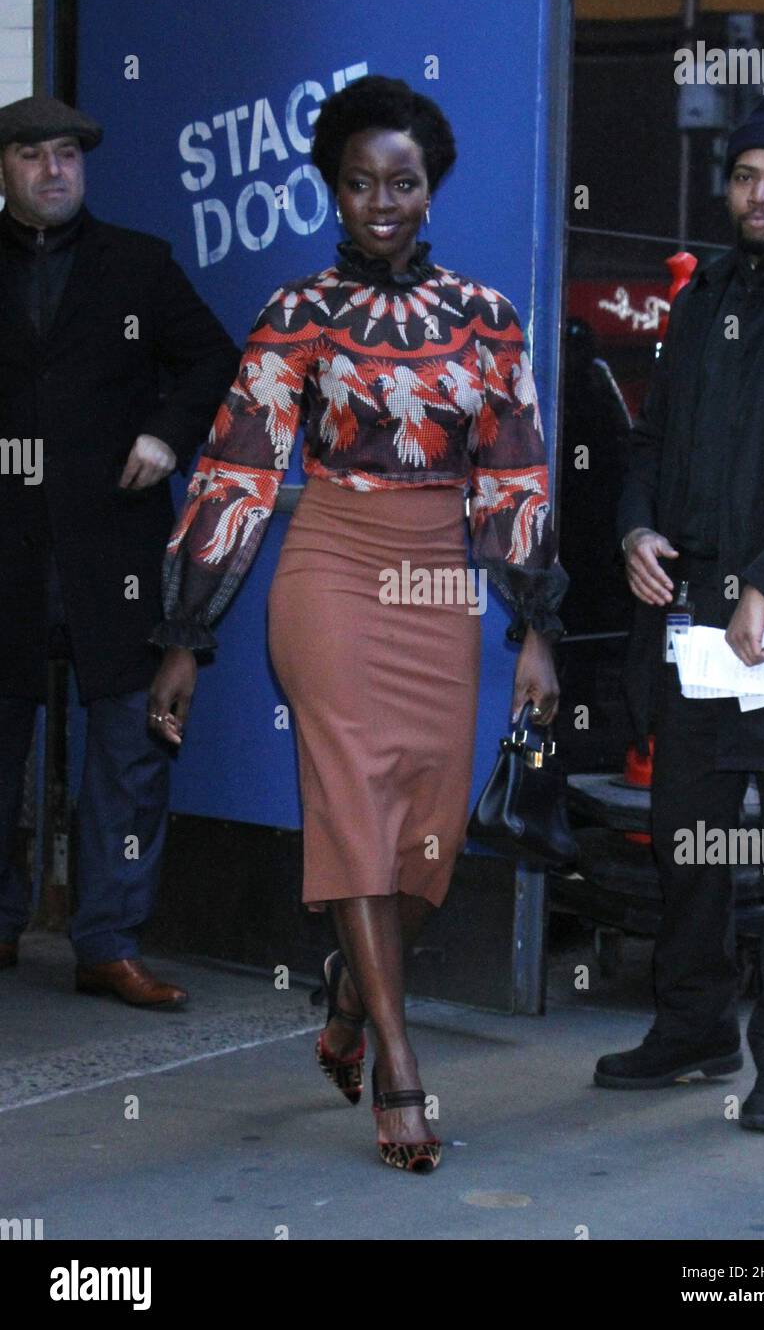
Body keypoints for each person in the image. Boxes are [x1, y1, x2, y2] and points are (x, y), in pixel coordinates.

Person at [149, 75, 568, 1171]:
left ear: (431, 189)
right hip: (332, 566)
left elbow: (515, 474)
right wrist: (187, 635)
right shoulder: (296, 315)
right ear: (331, 189)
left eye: (402, 181)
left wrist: (534, 624)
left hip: (441, 578)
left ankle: (347, 992)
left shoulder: (485, 321)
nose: (381, 200)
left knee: (428, 838)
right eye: (358, 181)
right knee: (351, 815)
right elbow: (238, 467)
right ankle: (399, 1064)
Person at [596, 85, 764, 1132]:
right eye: (746, 175)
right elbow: (649, 447)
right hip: (693, 624)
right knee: (688, 837)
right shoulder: (702, 294)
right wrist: (633, 531)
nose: (759, 195)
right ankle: (694, 1027)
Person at [0, 95, 239, 1006]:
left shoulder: (139, 264)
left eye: (68, 154)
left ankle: (107, 942)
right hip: (8, 552)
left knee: (128, 755)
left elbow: (214, 358)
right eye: (32, 155)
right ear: (6, 170)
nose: (54, 170)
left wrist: (168, 436)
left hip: (117, 547)